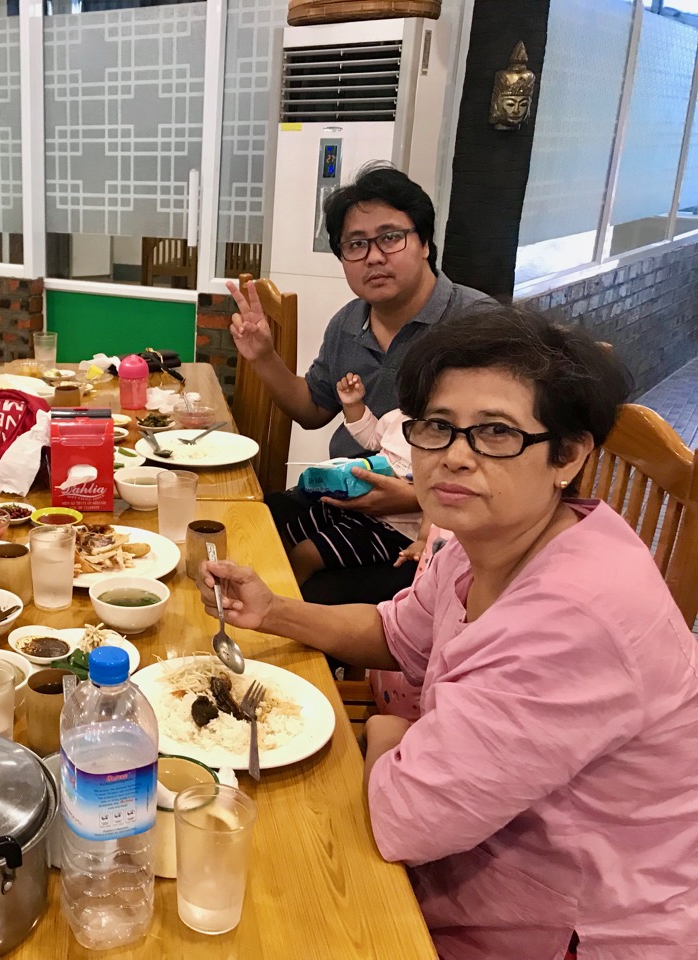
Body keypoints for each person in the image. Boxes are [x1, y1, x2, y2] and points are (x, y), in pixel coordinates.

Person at [200, 306, 698, 959]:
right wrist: (274, 611)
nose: (453, 457)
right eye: (437, 427)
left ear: (568, 456)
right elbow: (396, 634)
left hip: (561, 930)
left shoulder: (574, 618)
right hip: (463, 856)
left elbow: (403, 818)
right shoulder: (486, 538)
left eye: (494, 432)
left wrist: (388, 731)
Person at [227, 164, 490, 605]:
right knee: (248, 523)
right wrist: (264, 357)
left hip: (432, 530)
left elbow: (506, 459)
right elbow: (312, 409)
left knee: (313, 592)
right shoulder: (349, 321)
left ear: (424, 243)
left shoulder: (477, 327)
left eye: (391, 237)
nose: (373, 256)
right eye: (356, 244)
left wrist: (415, 500)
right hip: (344, 497)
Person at [283, 371, 423, 585]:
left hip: (391, 529)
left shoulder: (439, 440)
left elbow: (438, 492)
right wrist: (353, 405)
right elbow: (371, 440)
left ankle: (281, 602)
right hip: (355, 501)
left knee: (306, 554)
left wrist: (423, 539)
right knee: (288, 534)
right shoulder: (398, 417)